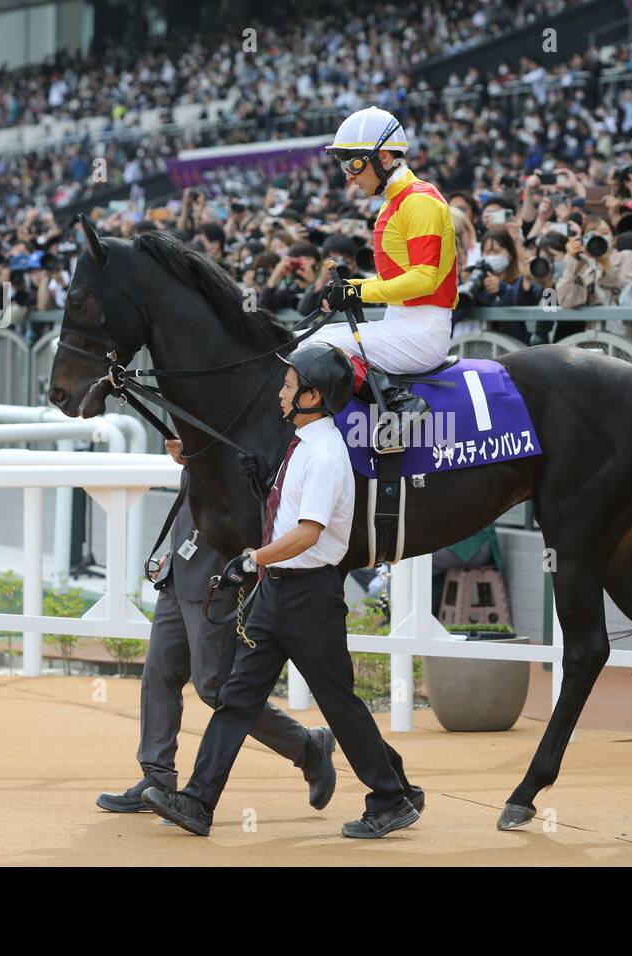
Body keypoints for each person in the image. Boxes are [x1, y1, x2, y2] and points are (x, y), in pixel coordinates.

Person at [143, 343, 424, 839]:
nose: (281, 393)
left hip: (309, 596)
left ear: (313, 395)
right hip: (278, 592)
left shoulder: (325, 455)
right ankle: (197, 800)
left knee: (337, 702)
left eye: (290, 386)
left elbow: (308, 533)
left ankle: (390, 797)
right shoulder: (300, 445)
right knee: (237, 697)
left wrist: (253, 558)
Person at [96, 438, 335, 815]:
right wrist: (185, 451)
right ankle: (157, 775)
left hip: (218, 576)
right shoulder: (208, 415)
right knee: (159, 673)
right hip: (178, 569)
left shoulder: (262, 428)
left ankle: (306, 746)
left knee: (215, 687)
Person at [300, 106, 457, 452]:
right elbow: (402, 277)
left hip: (422, 332)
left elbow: (425, 278)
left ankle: (400, 404)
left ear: (384, 157)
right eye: (345, 165)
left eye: (354, 163)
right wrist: (351, 289)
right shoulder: (393, 202)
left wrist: (359, 289)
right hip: (403, 323)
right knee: (302, 338)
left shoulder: (419, 202)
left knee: (318, 346)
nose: (349, 177)